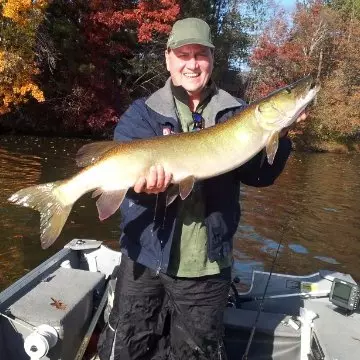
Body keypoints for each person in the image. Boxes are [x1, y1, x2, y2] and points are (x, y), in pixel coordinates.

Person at [98, 17, 300, 360]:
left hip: (206, 267)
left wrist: (279, 137)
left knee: (196, 354)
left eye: (200, 55)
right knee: (127, 349)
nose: (192, 64)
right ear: (168, 59)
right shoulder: (142, 114)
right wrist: (142, 188)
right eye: (183, 54)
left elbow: (260, 177)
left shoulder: (236, 113)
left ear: (211, 60)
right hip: (144, 259)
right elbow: (124, 174)